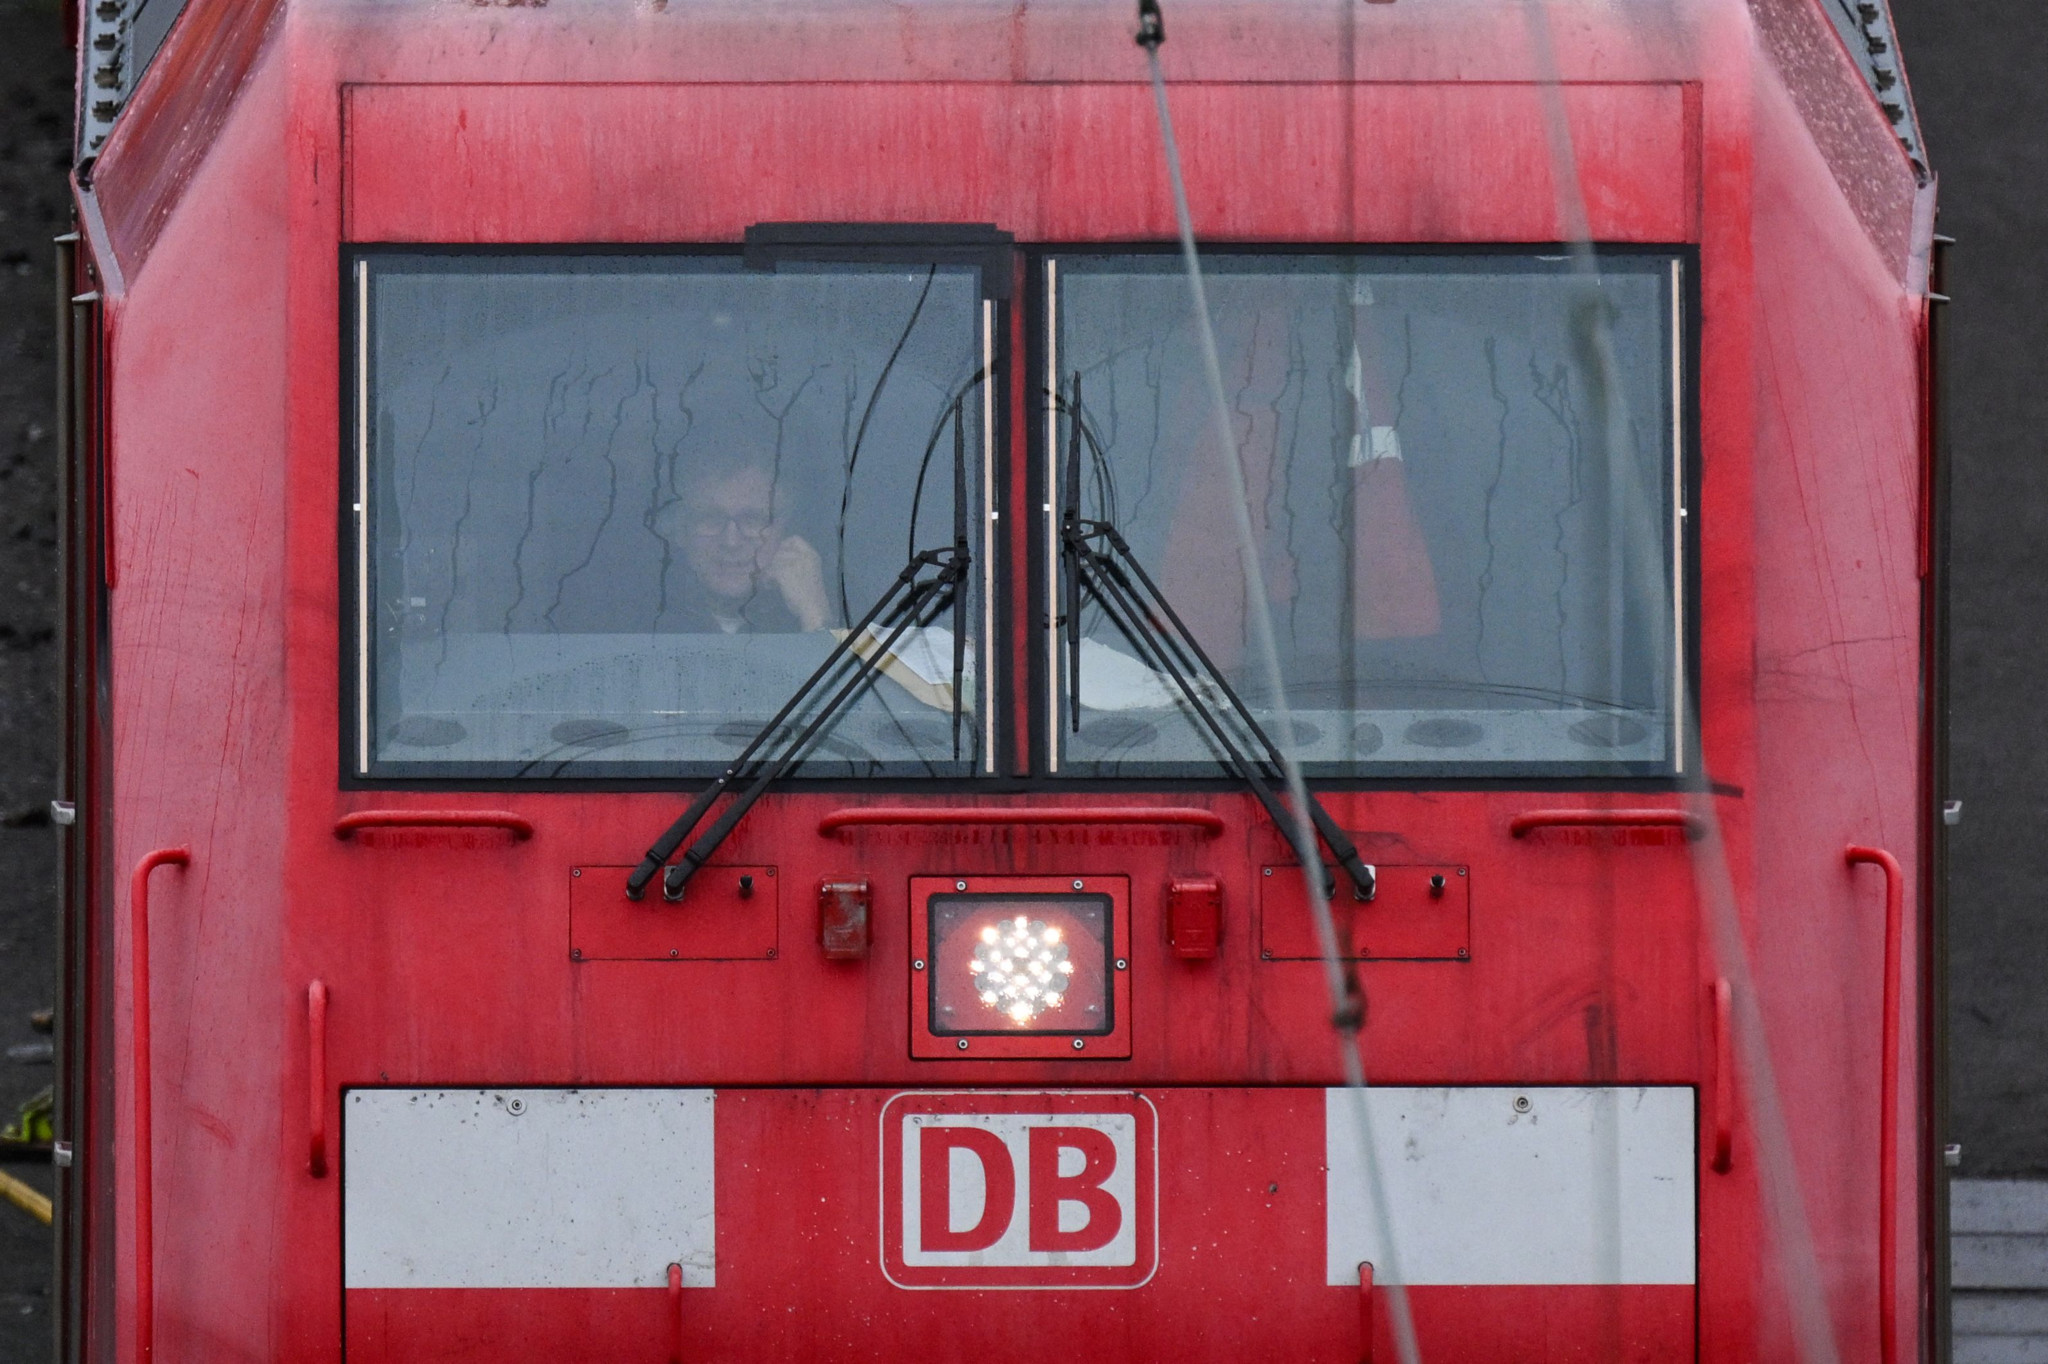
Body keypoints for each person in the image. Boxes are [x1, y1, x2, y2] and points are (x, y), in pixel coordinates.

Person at [653, 453, 833, 633]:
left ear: (785, 531)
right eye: (711, 519)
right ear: (681, 530)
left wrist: (814, 617)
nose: (731, 542)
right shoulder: (643, 616)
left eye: (752, 520)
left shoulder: (842, 605)